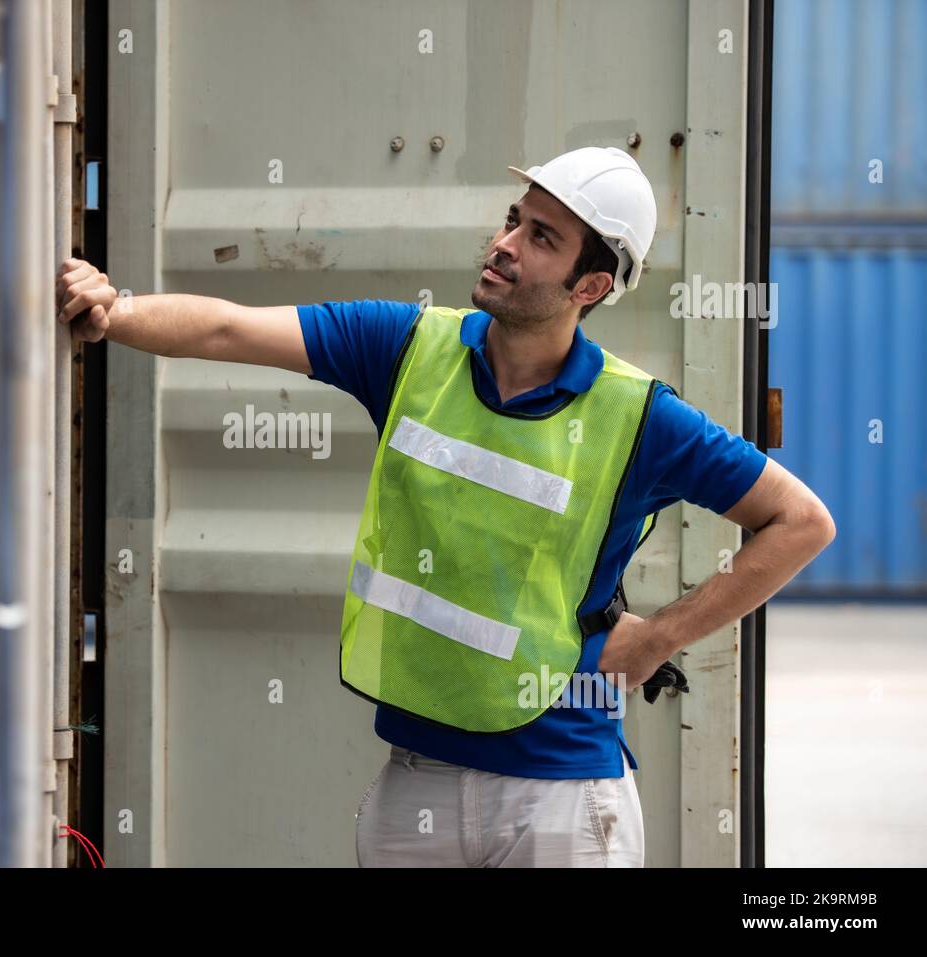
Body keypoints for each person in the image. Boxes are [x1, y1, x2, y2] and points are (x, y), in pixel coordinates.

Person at [56, 147, 836, 868]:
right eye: (512, 219)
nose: (504, 243)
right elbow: (230, 328)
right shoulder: (407, 348)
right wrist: (113, 309)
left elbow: (801, 521)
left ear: (590, 286)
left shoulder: (639, 418)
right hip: (415, 778)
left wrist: (659, 637)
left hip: (559, 796)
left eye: (541, 237)